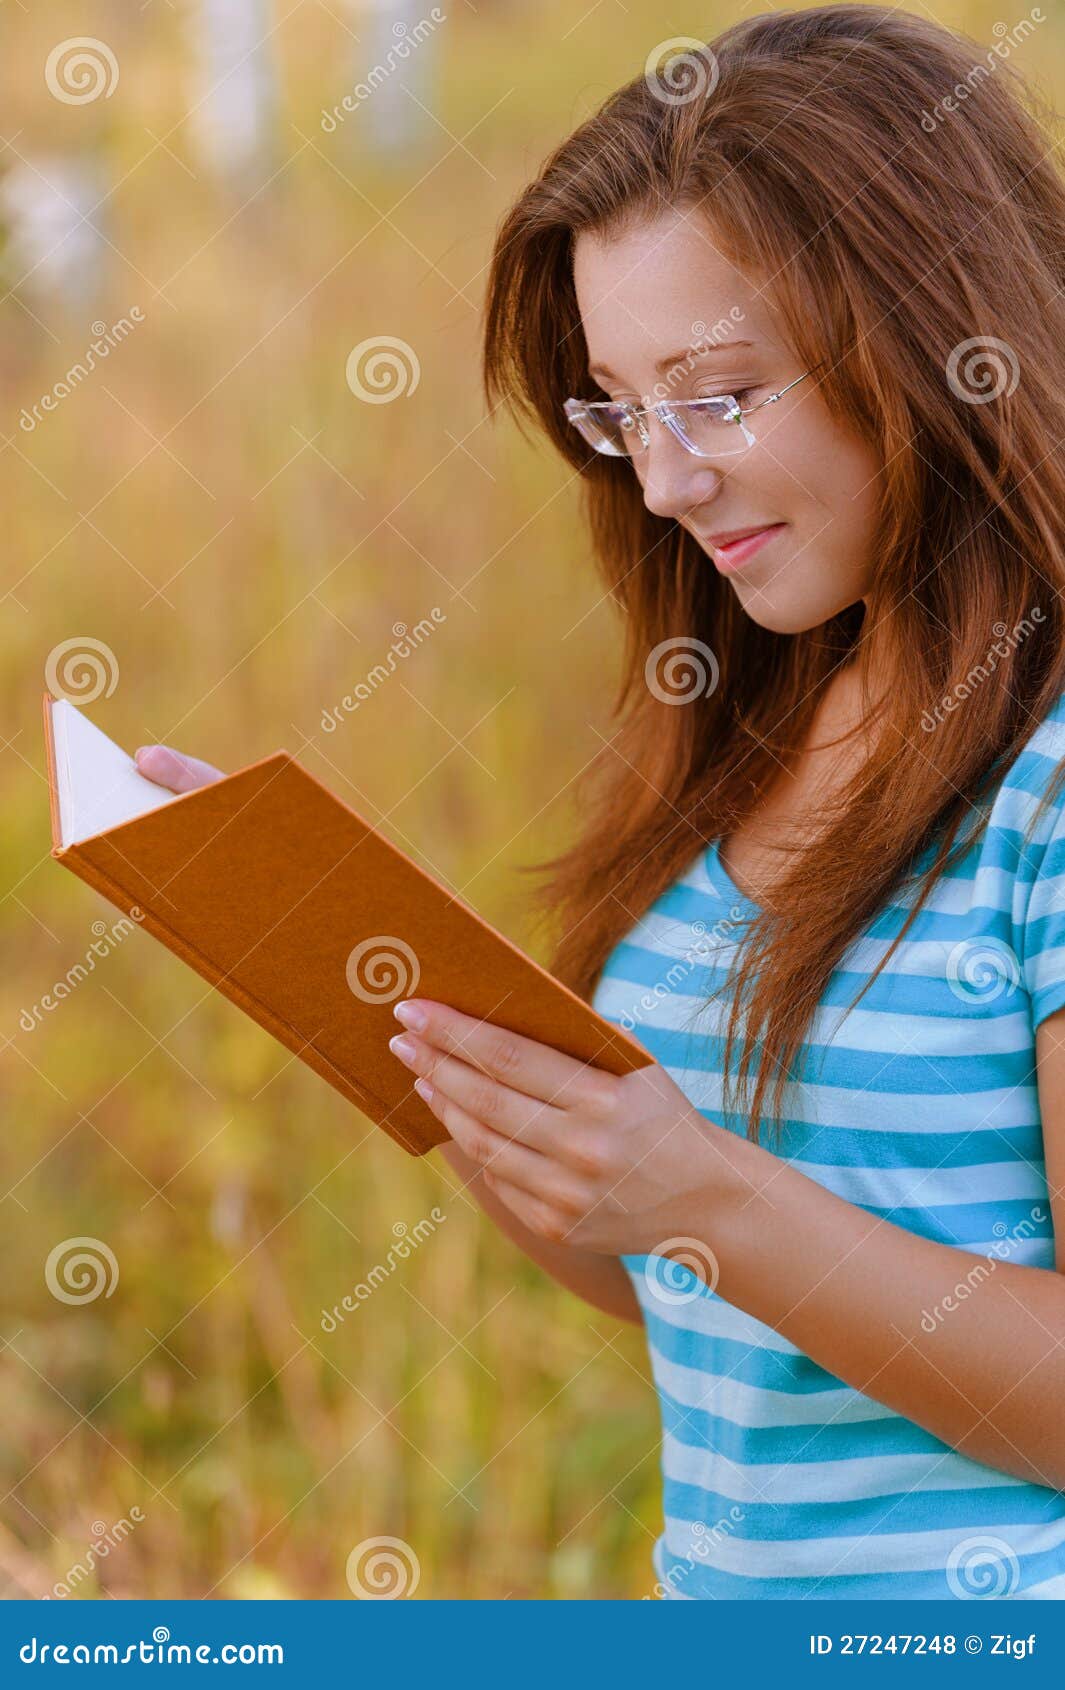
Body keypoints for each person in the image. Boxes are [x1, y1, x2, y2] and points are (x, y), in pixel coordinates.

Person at [138, 6, 1065, 1599]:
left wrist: (708, 1192)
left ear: (928, 333)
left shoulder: (1042, 787)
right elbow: (682, 1287)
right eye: (619, 409)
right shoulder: (760, 718)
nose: (662, 480)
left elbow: (734, 1225)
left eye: (718, 393)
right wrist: (406, 1018)